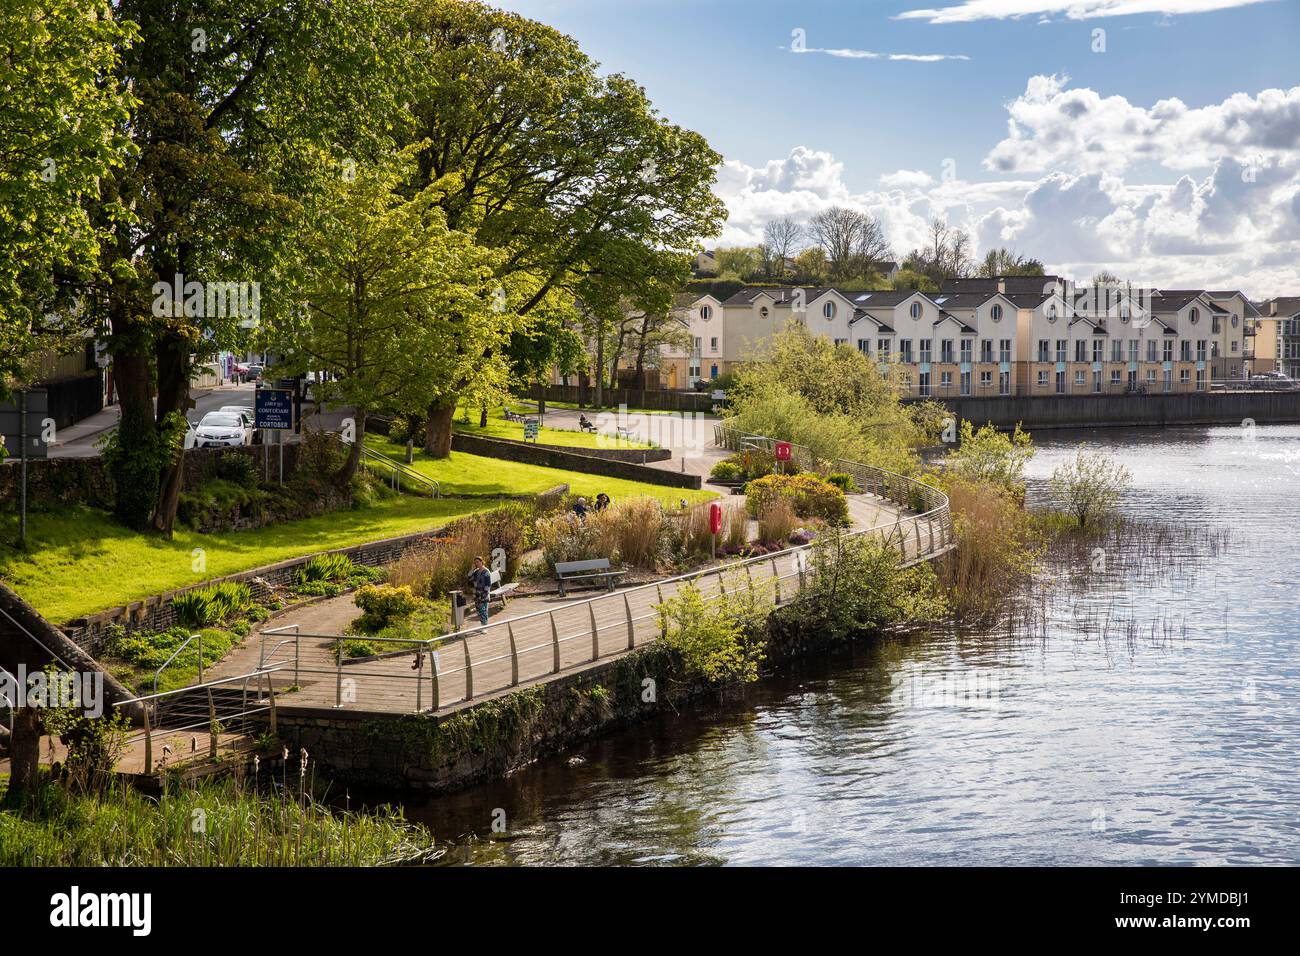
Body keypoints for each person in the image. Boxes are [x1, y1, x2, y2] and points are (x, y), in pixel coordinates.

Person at [467, 556, 492, 626]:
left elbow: (488, 584)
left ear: (482, 562)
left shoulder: (486, 572)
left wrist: (483, 594)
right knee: (479, 610)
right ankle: (483, 624)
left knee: (483, 610)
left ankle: (484, 626)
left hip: (484, 594)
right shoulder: (476, 572)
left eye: (477, 562)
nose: (476, 564)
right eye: (475, 562)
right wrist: (472, 569)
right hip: (476, 594)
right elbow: (469, 578)